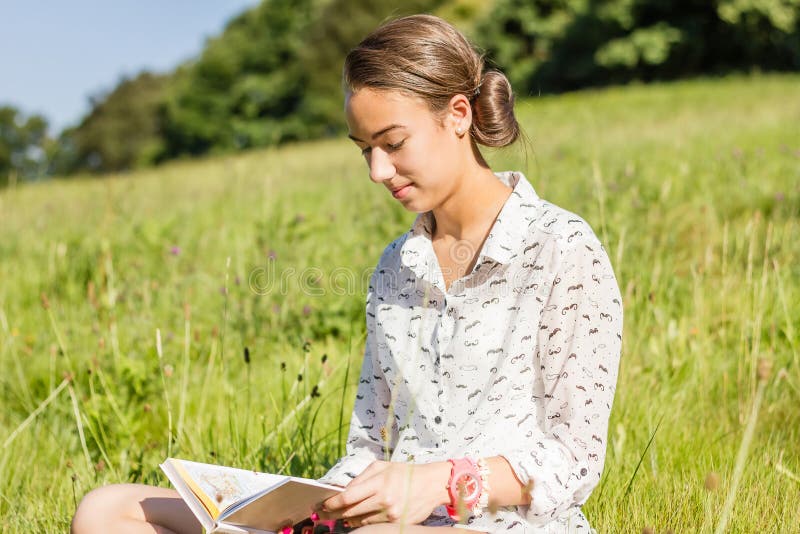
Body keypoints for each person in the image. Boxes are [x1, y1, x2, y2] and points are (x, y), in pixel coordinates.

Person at [71, 14, 621, 534]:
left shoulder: (561, 248)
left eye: (394, 143)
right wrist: (308, 505)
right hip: (378, 523)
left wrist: (439, 483)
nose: (379, 171)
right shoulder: (395, 267)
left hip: (497, 523)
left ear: (458, 115)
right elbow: (370, 447)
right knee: (107, 510)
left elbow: (574, 462)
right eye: (366, 150)